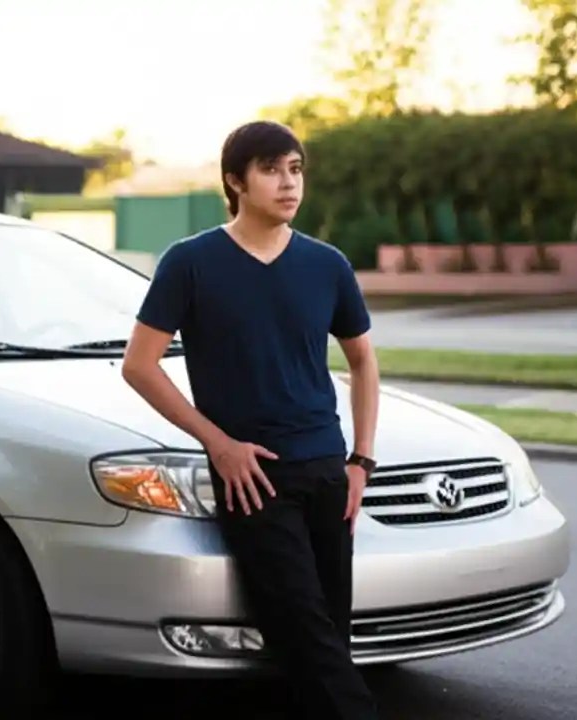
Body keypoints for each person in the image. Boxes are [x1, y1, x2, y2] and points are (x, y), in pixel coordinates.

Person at [120, 120, 381, 720]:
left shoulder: (327, 264)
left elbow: (363, 361)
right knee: (307, 633)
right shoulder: (191, 262)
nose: (289, 184)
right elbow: (140, 366)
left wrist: (360, 461)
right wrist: (219, 444)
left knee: (323, 640)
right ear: (235, 181)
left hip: (326, 469)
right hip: (253, 477)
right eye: (271, 170)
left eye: (295, 169)